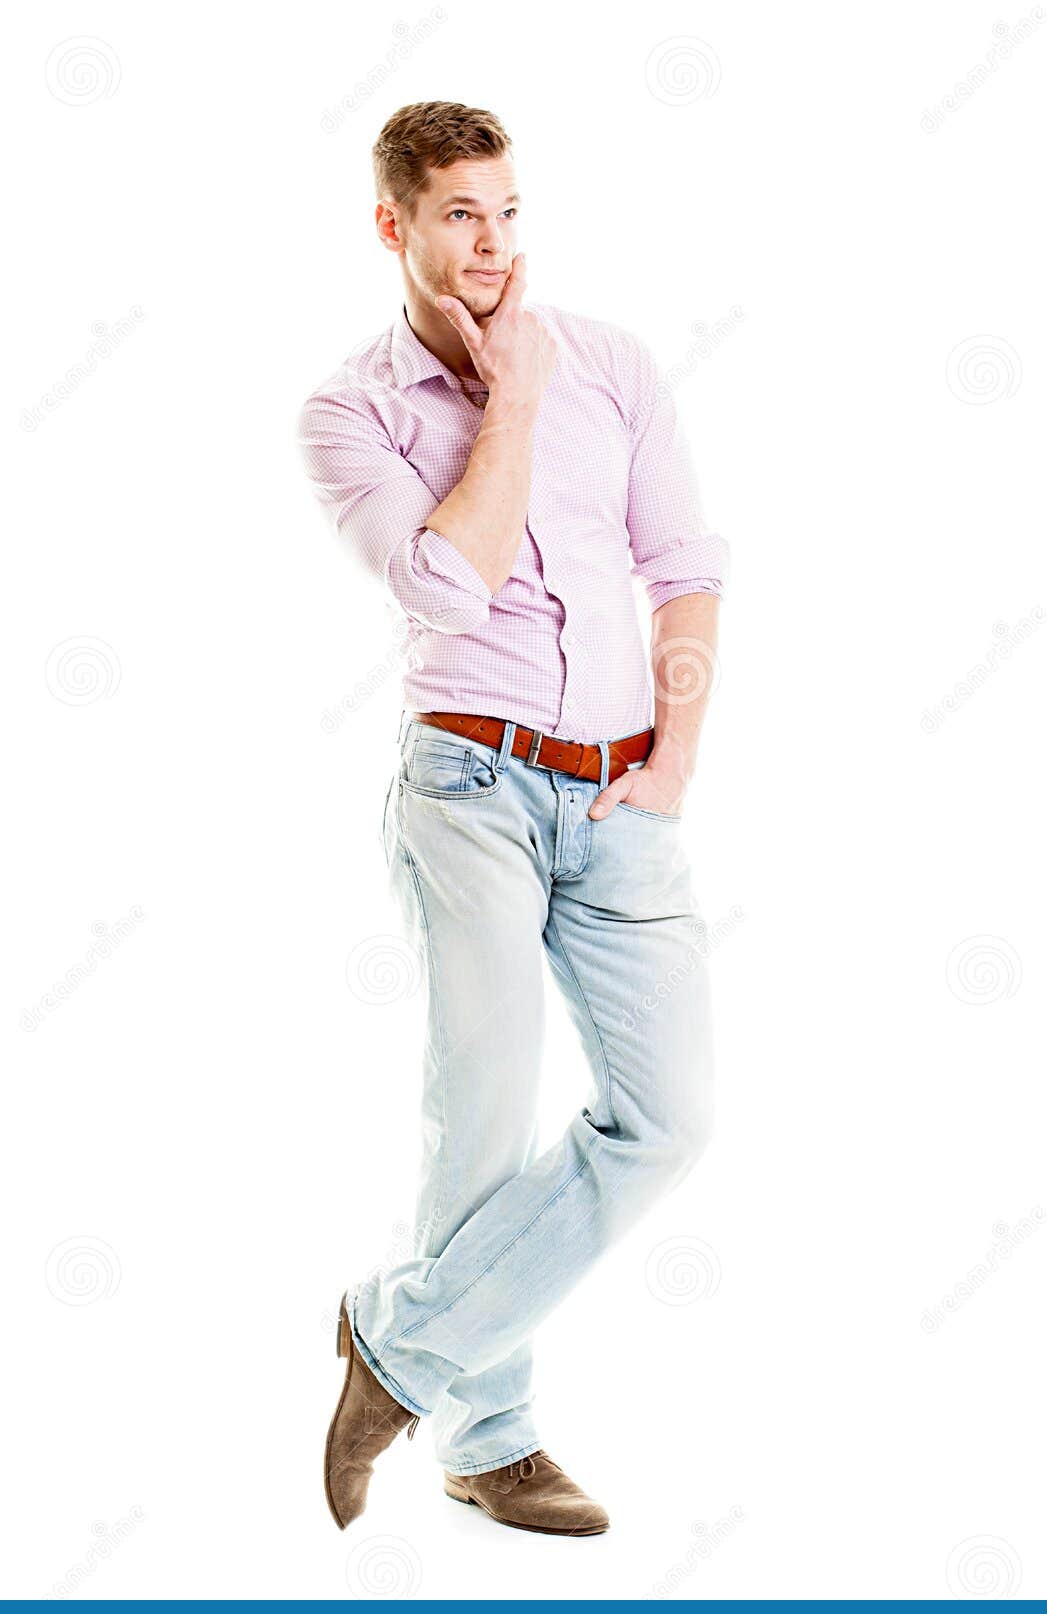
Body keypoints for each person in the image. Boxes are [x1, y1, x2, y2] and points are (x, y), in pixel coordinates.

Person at [296, 99, 728, 1537]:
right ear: (394, 225)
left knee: (665, 1121)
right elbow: (445, 583)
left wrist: (673, 757)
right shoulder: (350, 412)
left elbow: (683, 562)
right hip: (467, 792)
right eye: (460, 215)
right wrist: (515, 398)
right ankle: (491, 1437)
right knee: (478, 1126)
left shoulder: (617, 361)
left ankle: (393, 1342)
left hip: (619, 797)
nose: (491, 243)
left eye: (507, 212)